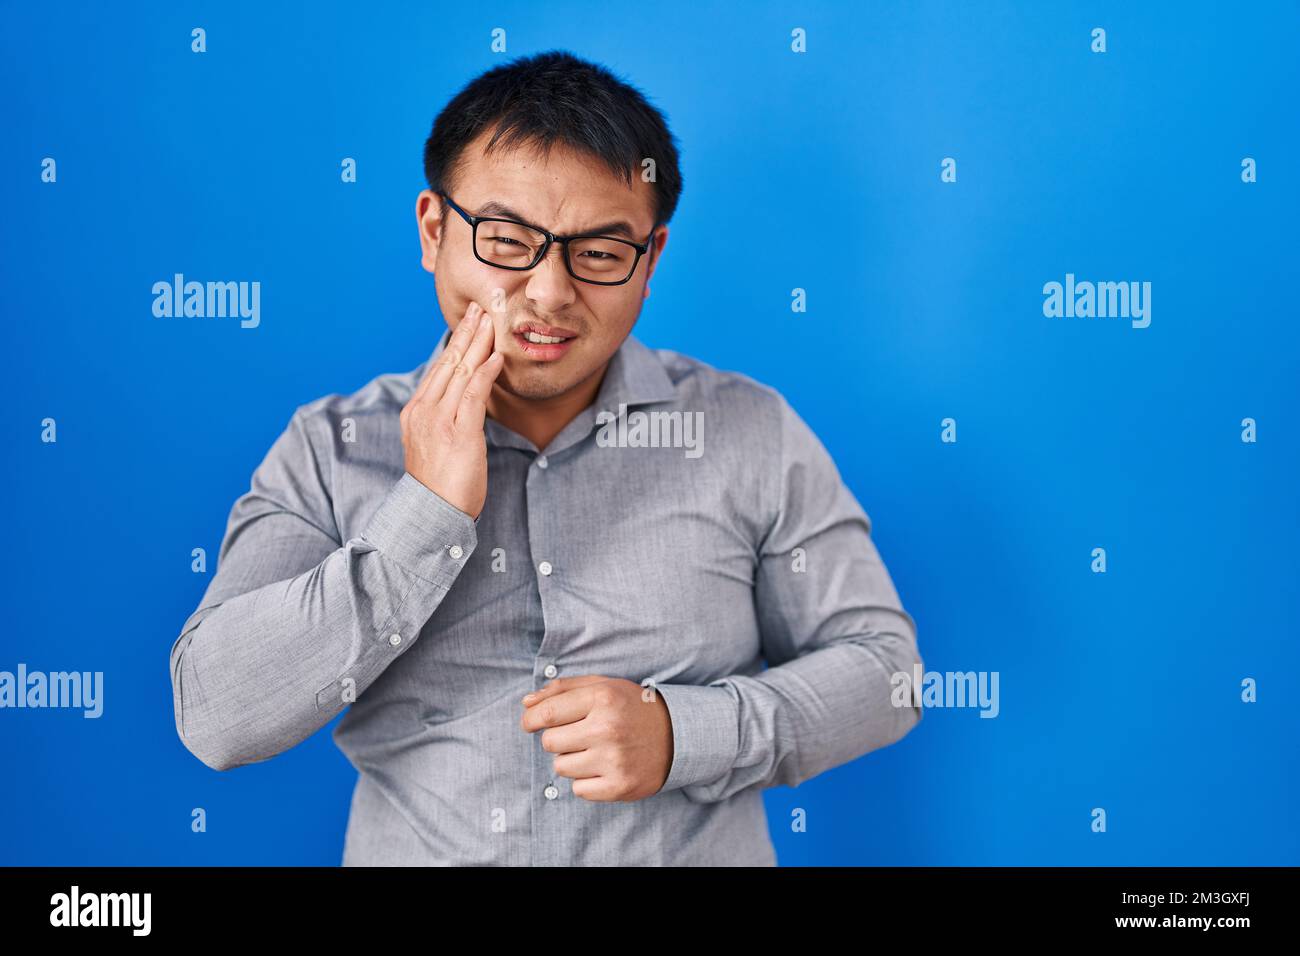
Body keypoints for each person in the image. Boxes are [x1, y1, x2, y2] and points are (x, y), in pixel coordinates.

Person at [169, 49, 924, 866]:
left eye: (599, 253)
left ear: (652, 260)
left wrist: (685, 733)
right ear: (434, 231)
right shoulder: (331, 449)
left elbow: (889, 675)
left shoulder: (749, 433)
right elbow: (218, 718)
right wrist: (424, 513)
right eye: (507, 240)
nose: (550, 292)